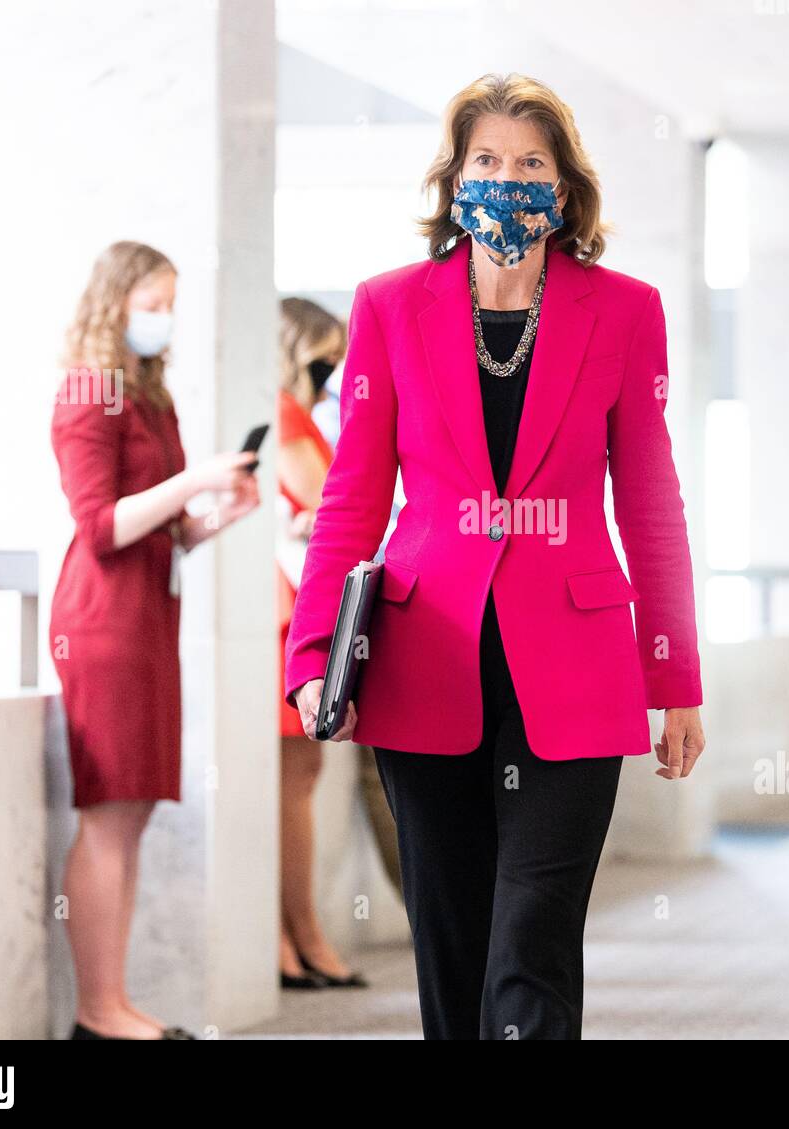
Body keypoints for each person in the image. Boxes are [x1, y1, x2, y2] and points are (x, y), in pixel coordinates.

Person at [284, 73, 706, 1040]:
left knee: (533, 940)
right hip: (425, 658)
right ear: (454, 175)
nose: (506, 179)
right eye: (487, 160)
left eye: (530, 163)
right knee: (455, 942)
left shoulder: (626, 309)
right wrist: (312, 657)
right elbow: (352, 497)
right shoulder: (389, 307)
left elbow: (650, 504)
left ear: (564, 187)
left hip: (577, 665)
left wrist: (672, 674)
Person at [51, 241, 260, 1039]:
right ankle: (97, 1009)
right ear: (114, 302)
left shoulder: (148, 394)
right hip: (101, 622)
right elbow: (99, 526)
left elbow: (159, 533)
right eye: (152, 301)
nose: (163, 317)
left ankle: (113, 1001)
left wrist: (211, 516)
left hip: (146, 615)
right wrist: (193, 481)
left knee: (130, 814)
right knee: (109, 813)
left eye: (169, 302)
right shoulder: (87, 392)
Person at [273, 297, 367, 989]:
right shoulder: (287, 415)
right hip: (289, 615)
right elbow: (332, 503)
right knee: (292, 781)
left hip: (297, 606)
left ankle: (295, 933)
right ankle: (295, 934)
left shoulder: (296, 415)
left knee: (296, 780)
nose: (330, 368)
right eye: (322, 353)